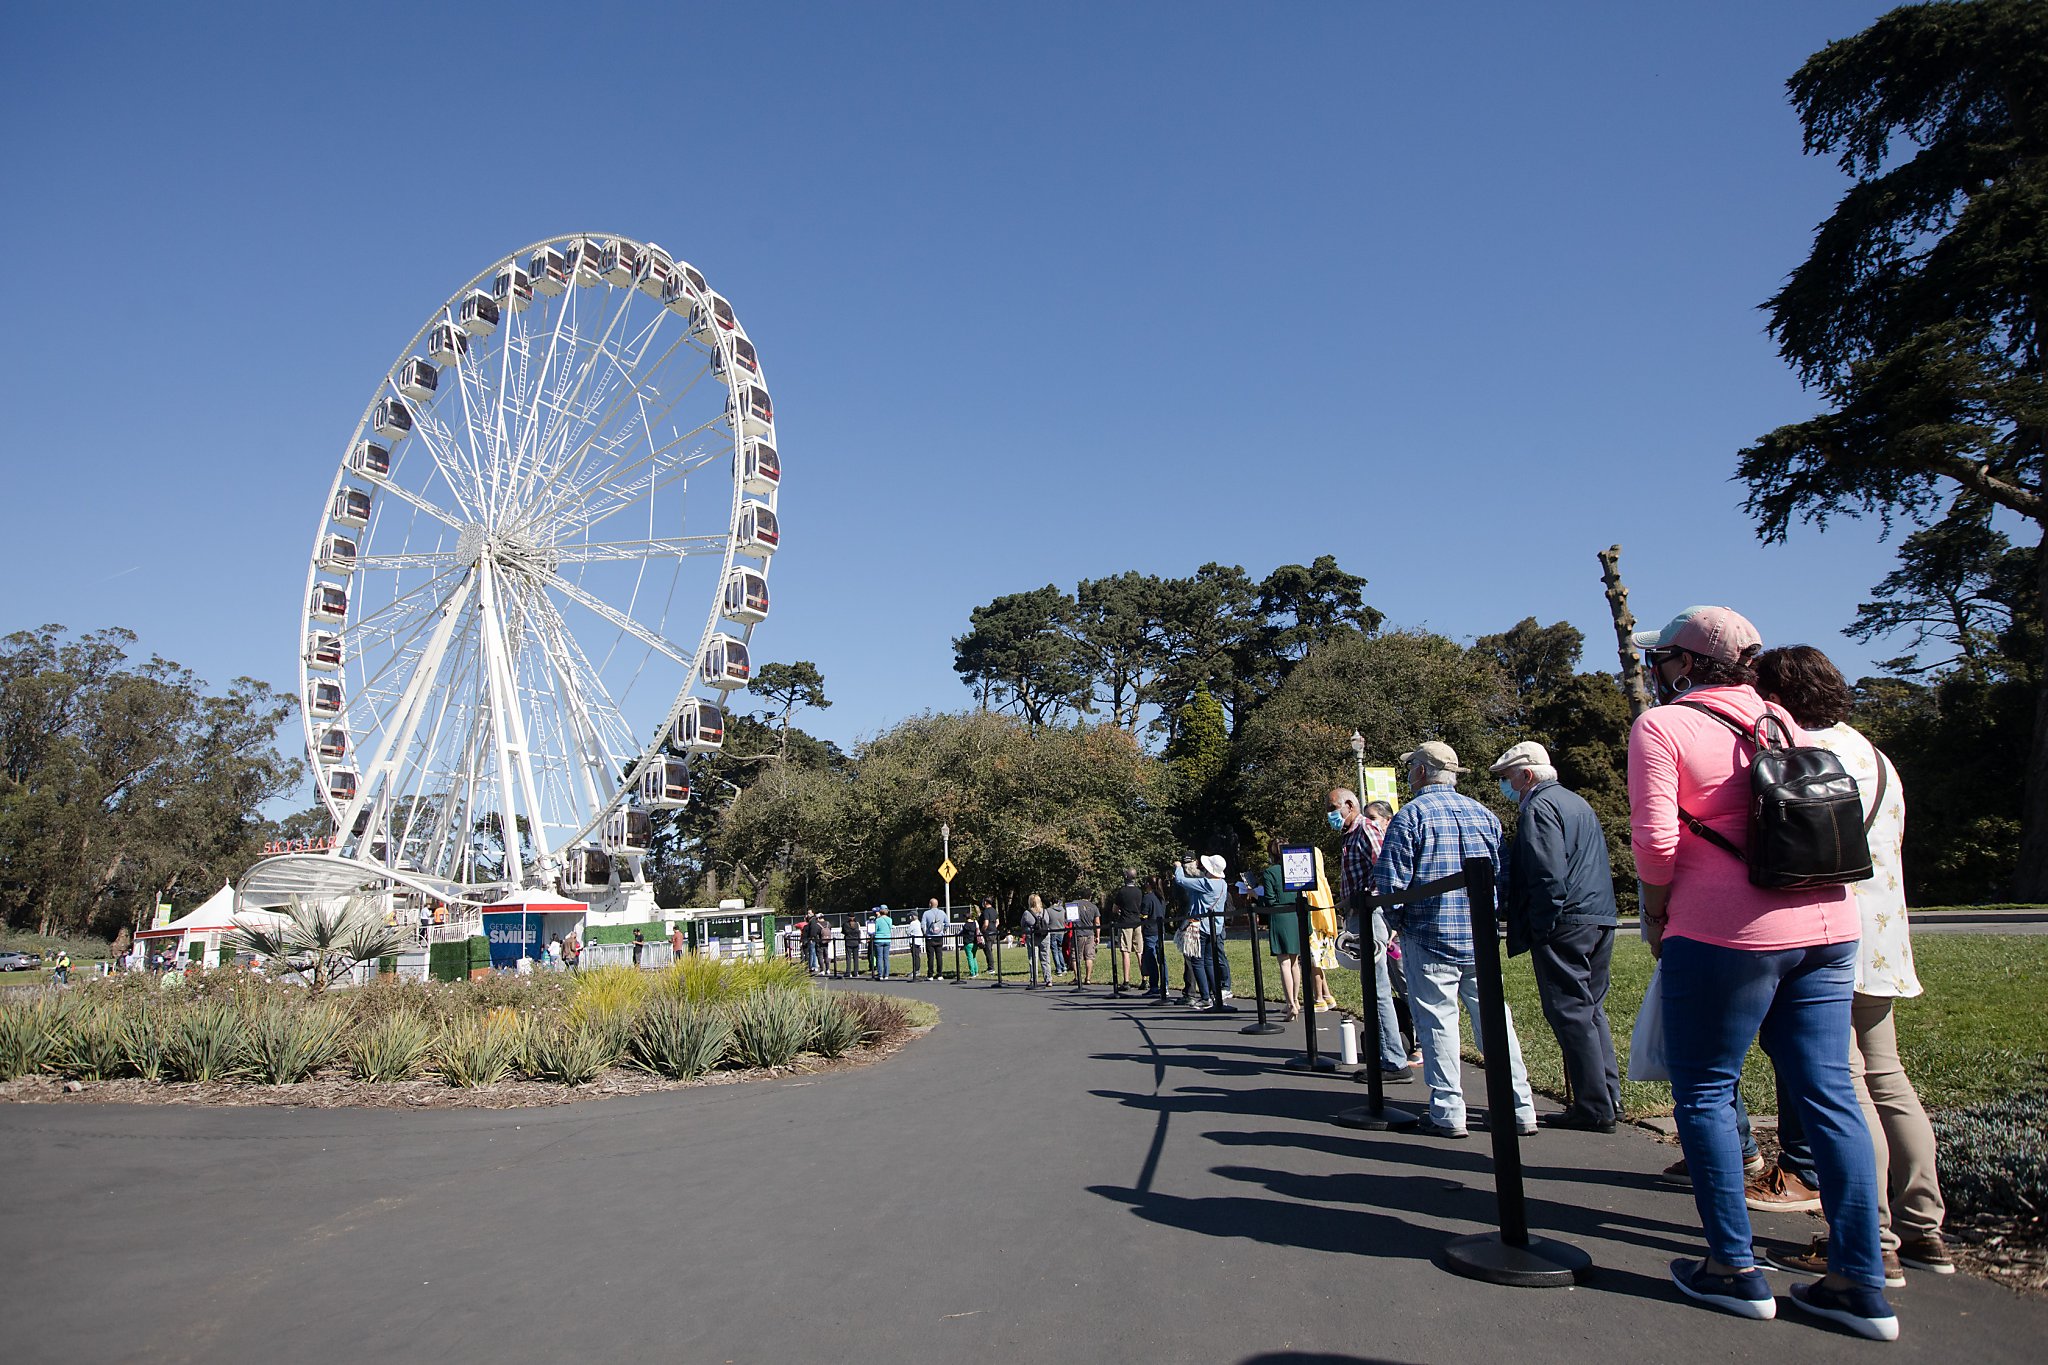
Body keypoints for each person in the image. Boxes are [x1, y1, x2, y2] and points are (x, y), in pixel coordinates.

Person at [1628, 605, 1893, 1339]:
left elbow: (1655, 843)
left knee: (1707, 1088)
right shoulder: (1783, 718)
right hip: (1829, 924)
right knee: (1829, 1092)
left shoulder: (1665, 725)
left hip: (1726, 930)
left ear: (1684, 663)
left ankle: (1734, 1269)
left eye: (1665, 658)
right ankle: (1860, 1279)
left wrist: (1657, 914)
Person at [1753, 645, 1954, 1282]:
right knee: (1888, 1078)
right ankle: (1924, 1225)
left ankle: (1872, 1237)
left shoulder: (1801, 756)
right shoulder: (1876, 755)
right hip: (1886, 931)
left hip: (1829, 936)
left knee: (1844, 1088)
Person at [1374, 741, 1535, 1140]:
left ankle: (1448, 1112)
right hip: (1478, 937)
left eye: (1412, 768)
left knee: (1438, 1026)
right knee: (1497, 1024)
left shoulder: (1411, 817)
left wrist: (1399, 922)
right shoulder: (1485, 814)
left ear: (1423, 772)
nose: (1410, 774)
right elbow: (1502, 876)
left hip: (1429, 936)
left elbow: (1390, 883)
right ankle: (1520, 1106)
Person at [1489, 740, 1622, 1133]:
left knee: (1569, 1012)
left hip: (1566, 920)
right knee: (1592, 1009)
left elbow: (1547, 872)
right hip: (1599, 916)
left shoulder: (1539, 806)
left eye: (1509, 778)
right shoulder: (1577, 802)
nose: (1507, 787)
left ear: (1526, 775)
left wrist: (1542, 924)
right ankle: (1607, 1097)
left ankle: (1594, 1107)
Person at [1331, 788, 1407, 1076]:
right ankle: (1385, 1054)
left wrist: (1370, 899)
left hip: (1370, 914)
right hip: (1358, 914)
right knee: (1372, 988)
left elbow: (1385, 867)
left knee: (1378, 989)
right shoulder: (1349, 834)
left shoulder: (1366, 828)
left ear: (1350, 805)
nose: (1330, 815)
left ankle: (1393, 1060)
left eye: (1333, 808)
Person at [1172, 855, 1233, 1012]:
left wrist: (1178, 867)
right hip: (1216, 927)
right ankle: (1216, 995)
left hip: (1200, 926)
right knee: (1210, 961)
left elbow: (1181, 881)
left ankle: (1205, 997)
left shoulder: (1206, 883)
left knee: (1197, 961)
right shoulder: (1223, 884)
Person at [1260, 840, 1304, 1021]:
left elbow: (1270, 899)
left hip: (1279, 916)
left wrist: (1256, 896)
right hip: (1296, 914)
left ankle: (1291, 1004)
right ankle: (1295, 1001)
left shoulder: (1270, 872)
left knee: (1284, 963)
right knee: (1295, 962)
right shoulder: (1298, 870)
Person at [1108, 870, 1144, 995]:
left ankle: (1126, 981)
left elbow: (1115, 908)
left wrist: (1119, 911)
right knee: (1139, 951)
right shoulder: (1139, 891)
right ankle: (1144, 978)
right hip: (1137, 922)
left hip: (1125, 922)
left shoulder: (1122, 892)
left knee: (1125, 951)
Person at [1140, 876, 1168, 997]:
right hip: (1160, 930)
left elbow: (1144, 915)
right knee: (1162, 959)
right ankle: (1164, 984)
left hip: (1150, 931)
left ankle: (1154, 986)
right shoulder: (1161, 898)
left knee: (1151, 959)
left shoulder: (1148, 897)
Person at [1023, 894, 1053, 987]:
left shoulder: (1027, 913)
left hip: (1032, 937)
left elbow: (1023, 924)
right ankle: (1048, 979)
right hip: (1045, 936)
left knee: (1033, 959)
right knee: (1045, 958)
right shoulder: (1045, 912)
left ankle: (1034, 979)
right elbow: (1048, 922)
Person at [1072, 896, 1100, 988]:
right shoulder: (1094, 906)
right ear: (1090, 896)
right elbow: (1097, 923)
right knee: (1089, 956)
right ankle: (1088, 978)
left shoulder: (1074, 904)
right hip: (1090, 933)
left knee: (1076, 956)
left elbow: (1068, 918)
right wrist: (1097, 935)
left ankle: (1077, 977)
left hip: (1078, 933)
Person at [921, 899, 950, 980]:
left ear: (930, 904)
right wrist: (943, 931)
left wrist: (925, 933)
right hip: (939, 936)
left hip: (930, 937)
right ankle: (940, 974)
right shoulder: (942, 913)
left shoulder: (926, 913)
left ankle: (930, 975)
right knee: (939, 956)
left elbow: (923, 925)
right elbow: (947, 924)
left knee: (930, 957)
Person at [870, 906, 894, 979]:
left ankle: (880, 974)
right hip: (887, 939)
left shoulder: (878, 920)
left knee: (879, 957)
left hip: (879, 939)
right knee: (886, 958)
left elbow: (875, 930)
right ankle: (886, 974)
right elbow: (890, 928)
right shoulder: (890, 919)